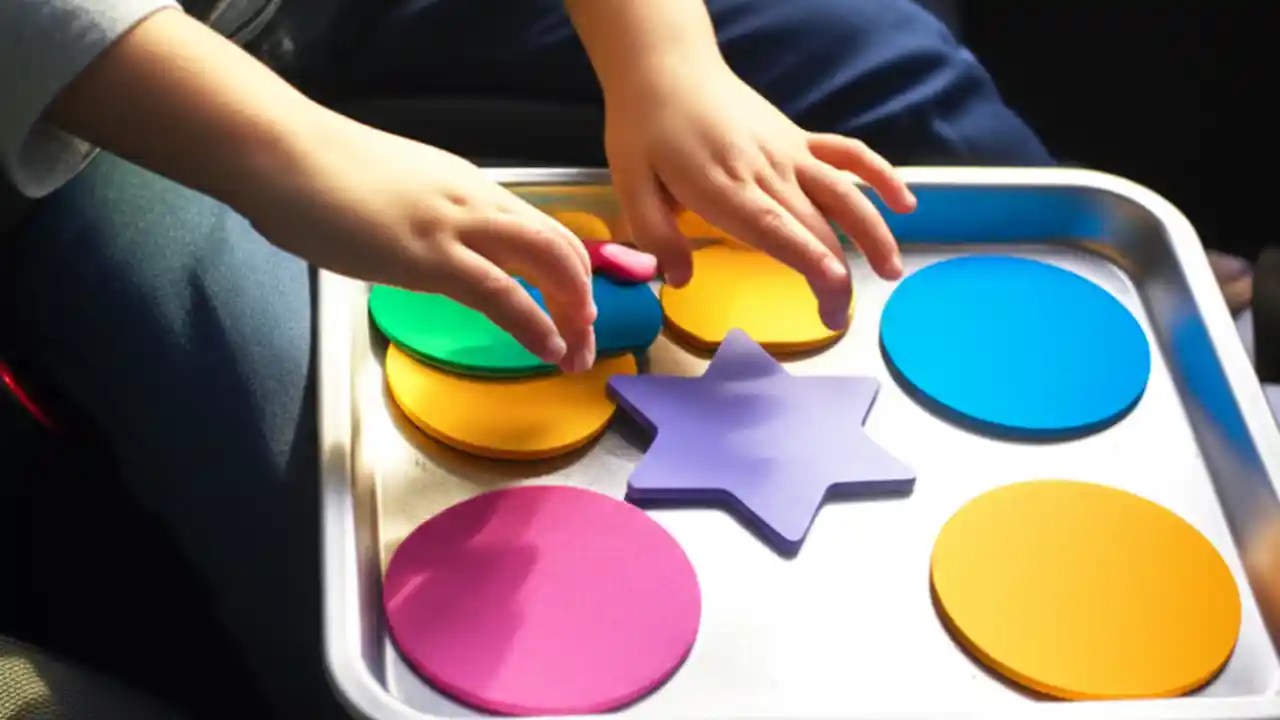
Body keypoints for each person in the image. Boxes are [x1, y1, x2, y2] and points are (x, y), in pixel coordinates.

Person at [1, 1, 1054, 716]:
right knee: (311, 468)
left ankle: (1202, 293)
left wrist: (663, 59)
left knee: (877, 51)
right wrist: (291, 151)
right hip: (84, 96)